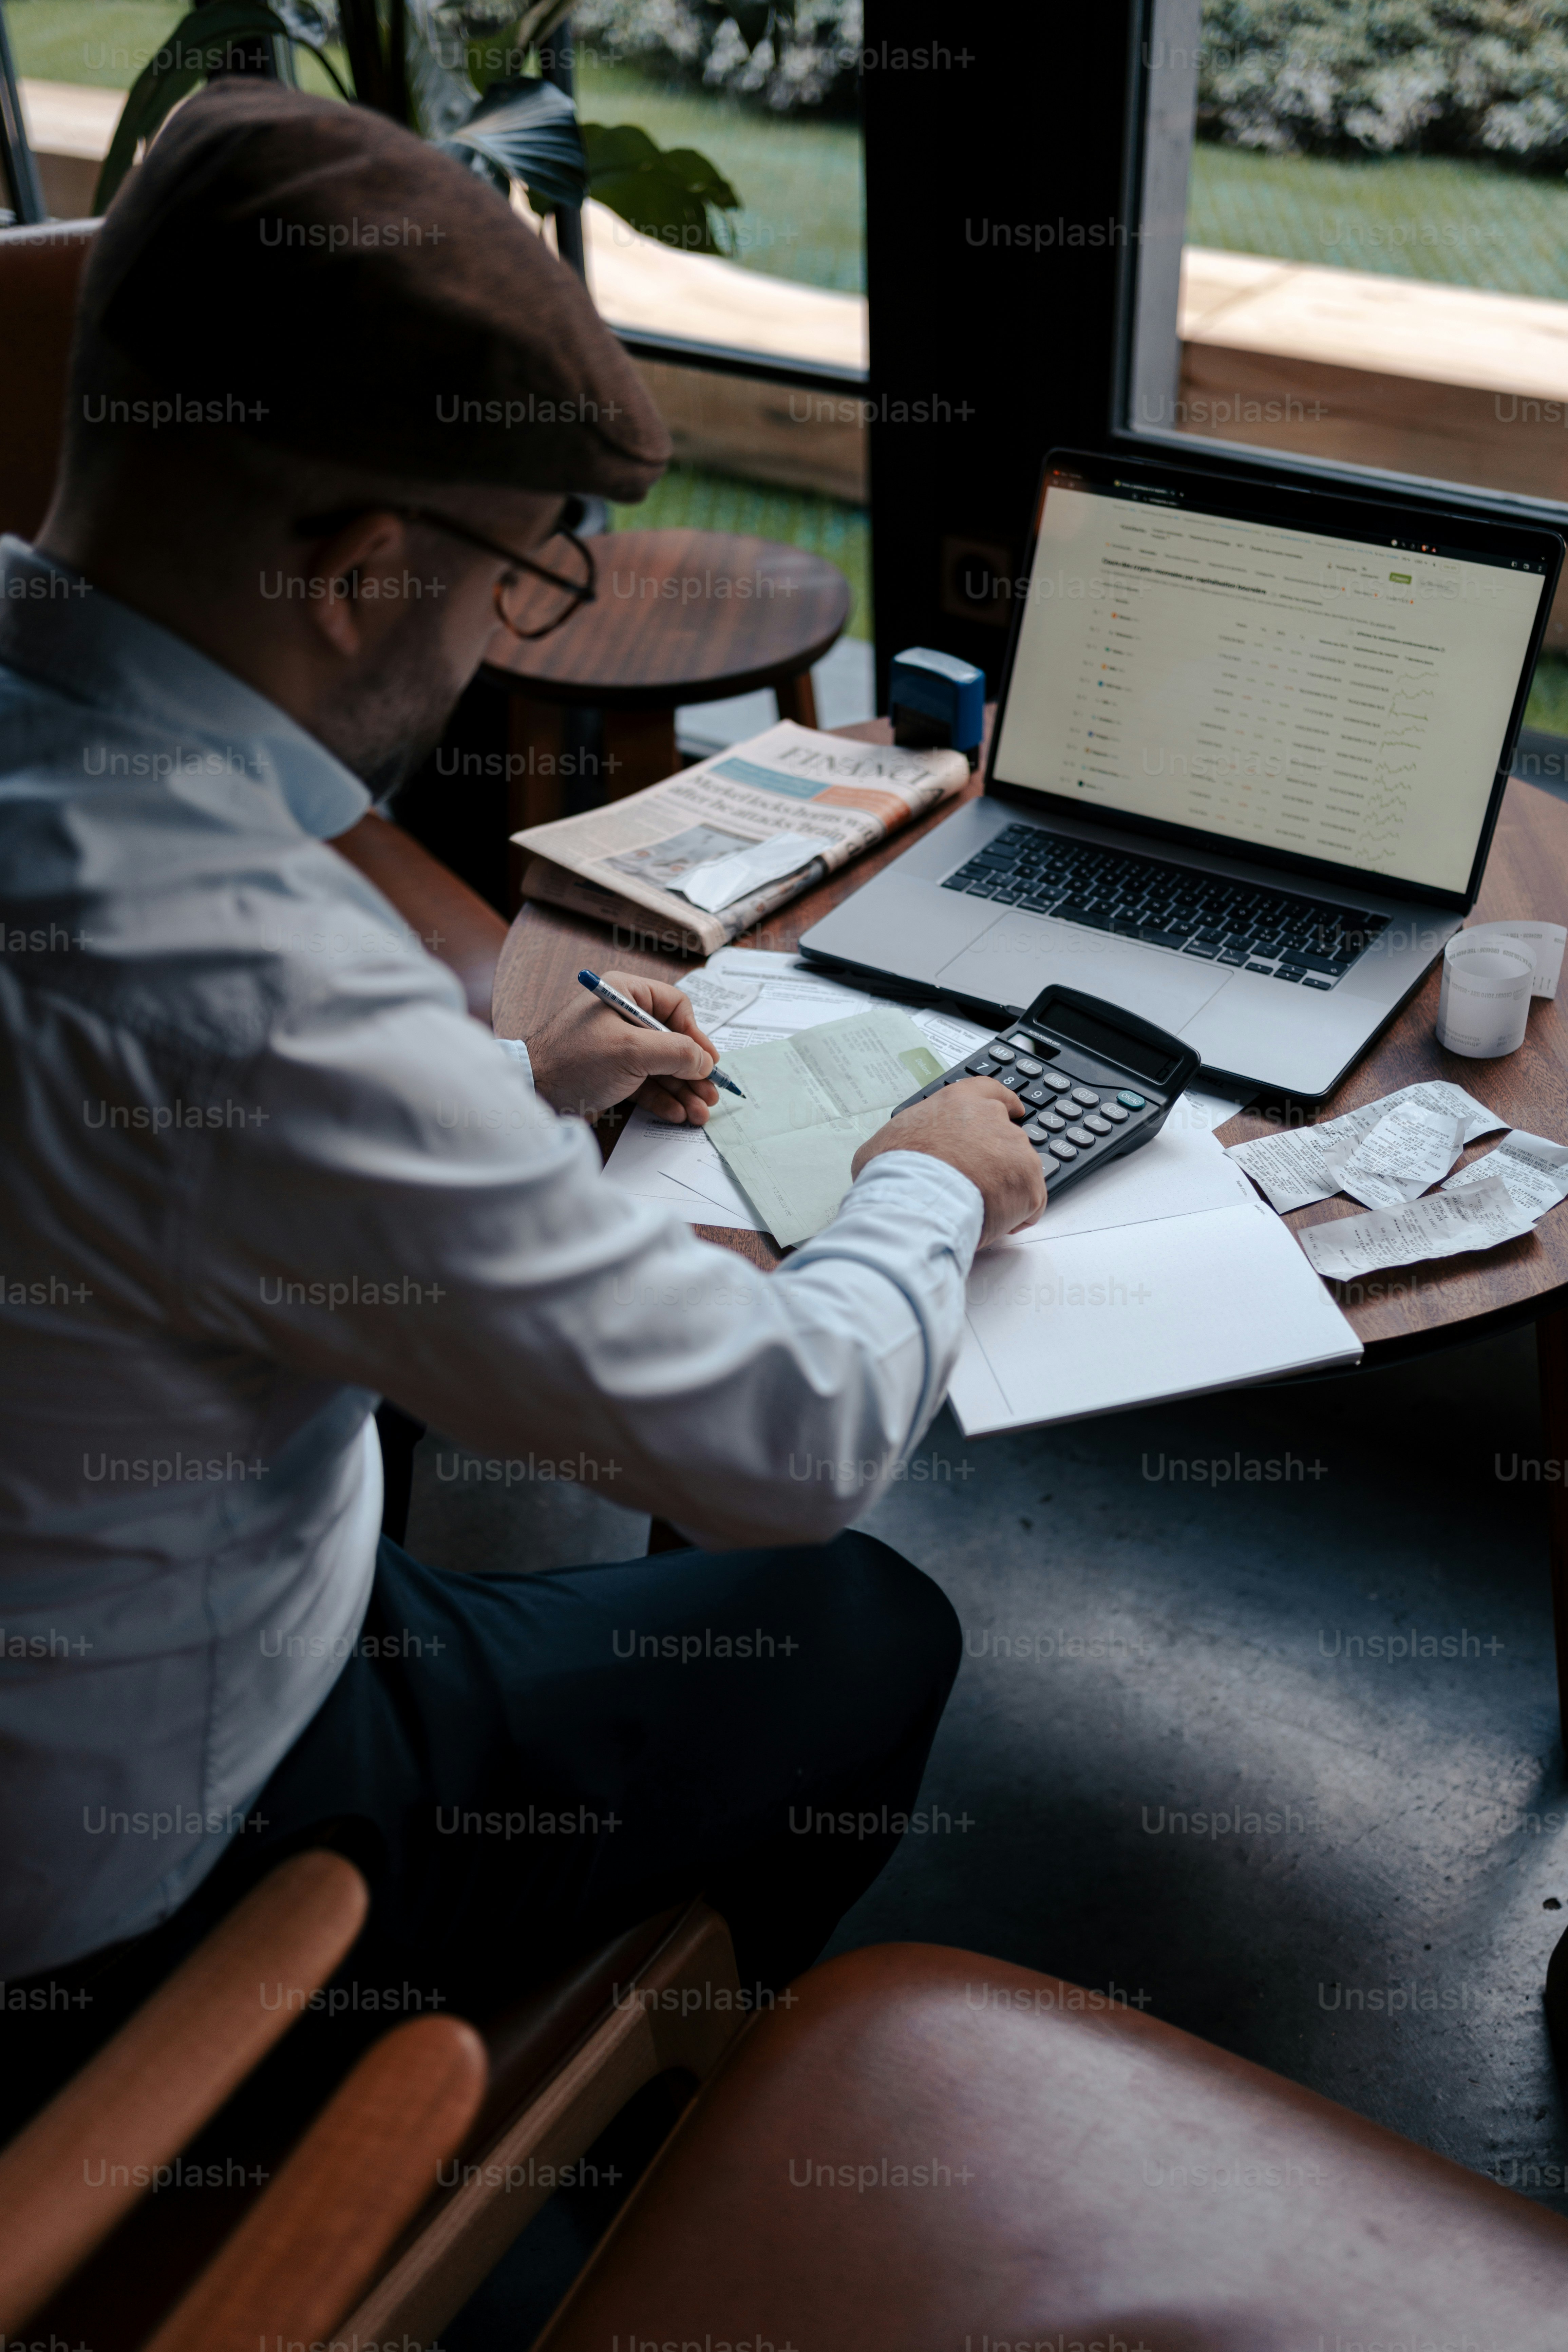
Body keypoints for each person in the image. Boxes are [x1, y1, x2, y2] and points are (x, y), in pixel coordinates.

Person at [0, 80, 1044, 2130]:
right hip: (131, 1863)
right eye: (519, 578)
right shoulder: (253, 985)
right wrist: (922, 1181)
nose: (506, 633)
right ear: (357, 568)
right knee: (855, 1627)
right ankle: (614, 2139)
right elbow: (785, 1440)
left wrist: (503, 1089)